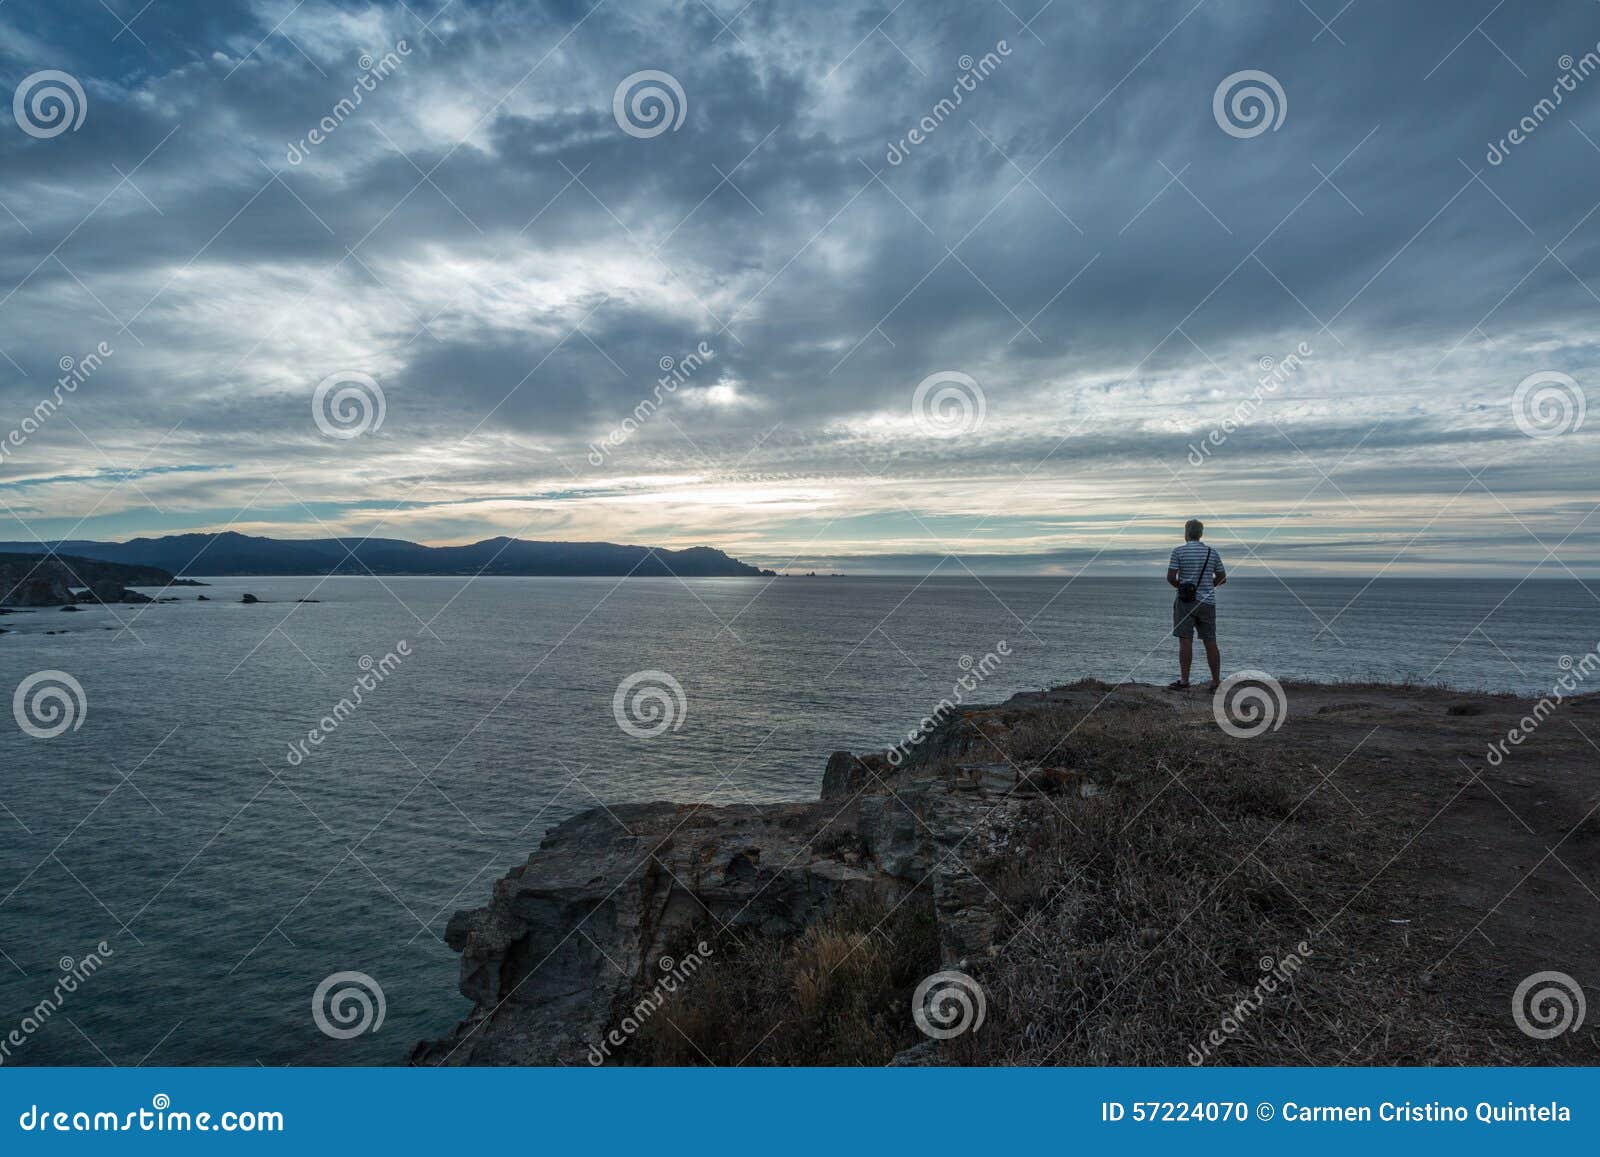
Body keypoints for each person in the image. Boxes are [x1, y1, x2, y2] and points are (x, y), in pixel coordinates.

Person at [1166, 518, 1225, 691]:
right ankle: (1216, 682)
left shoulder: (1178, 552)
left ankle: (1184, 681)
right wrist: (1207, 586)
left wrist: (1184, 588)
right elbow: (1222, 578)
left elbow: (1171, 577)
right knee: (1210, 641)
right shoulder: (1212, 553)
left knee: (1185, 641)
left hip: (1185, 602)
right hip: (1208, 602)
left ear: (1186, 533)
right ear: (1201, 534)